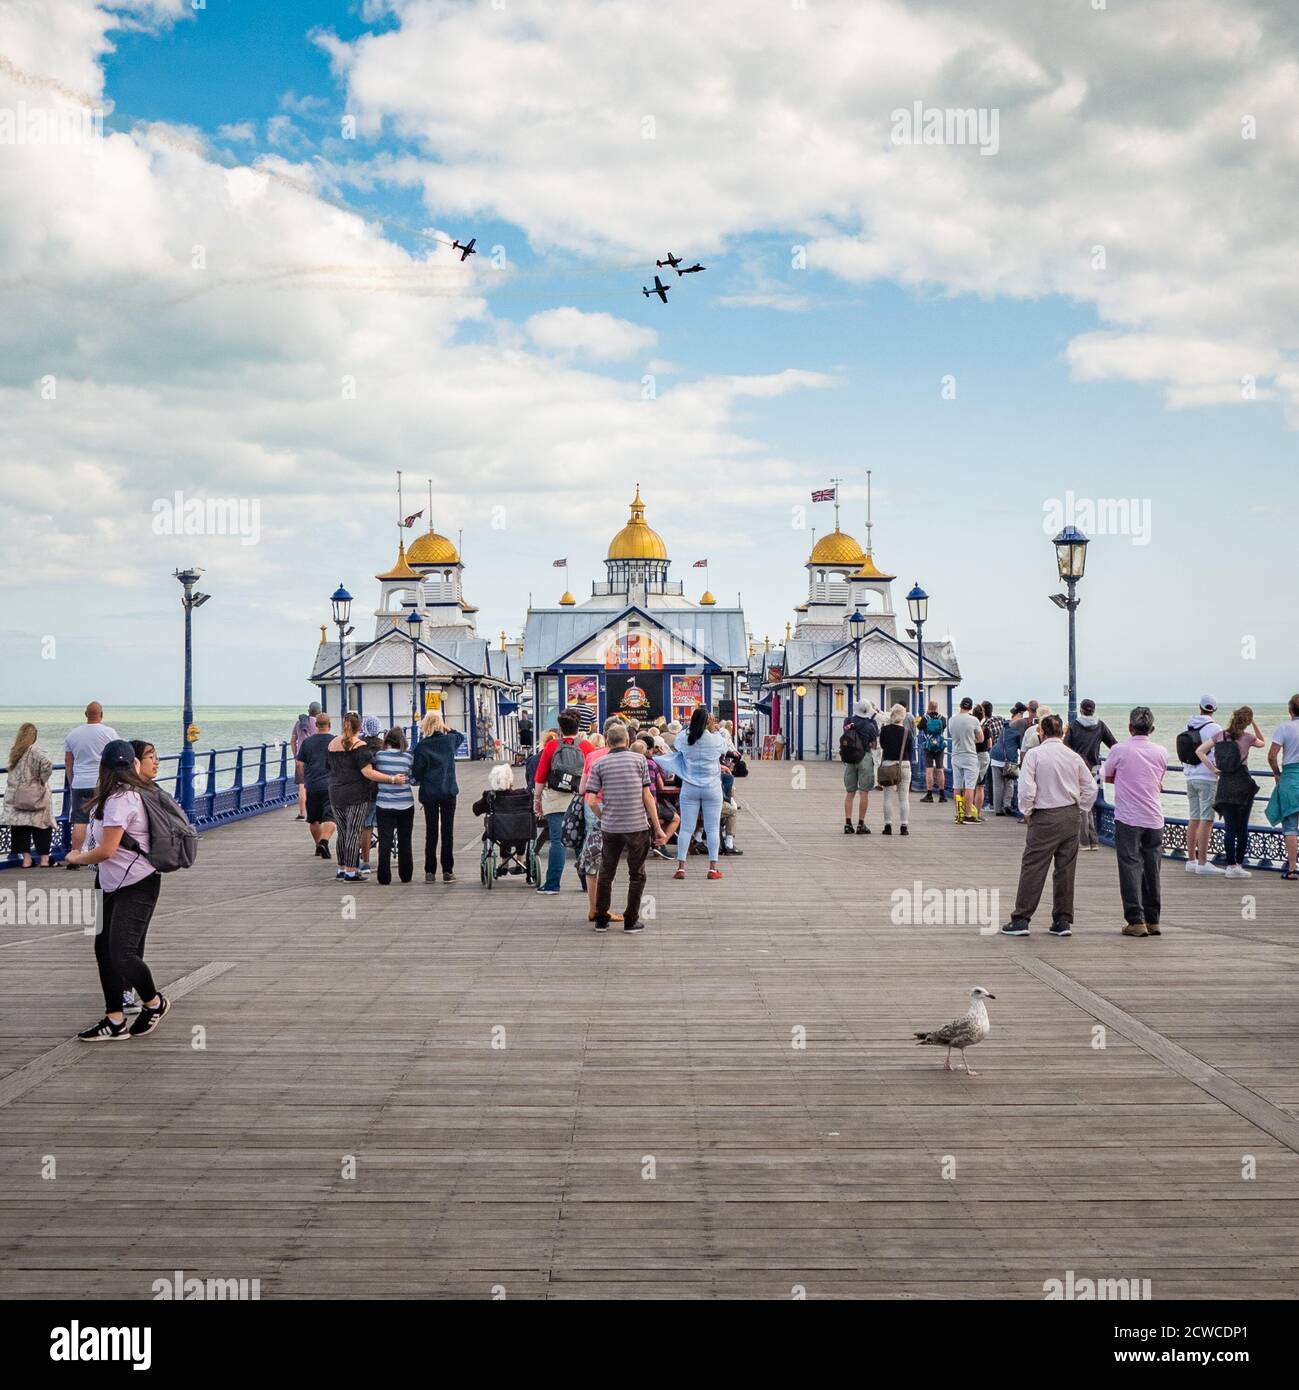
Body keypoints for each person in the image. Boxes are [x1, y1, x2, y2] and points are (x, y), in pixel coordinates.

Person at [64, 740, 170, 1041]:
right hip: (109, 883)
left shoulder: (122, 800)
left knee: (121, 953)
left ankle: (154, 1002)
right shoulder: (111, 798)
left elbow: (106, 850)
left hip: (137, 883)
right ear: (133, 766)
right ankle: (114, 1020)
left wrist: (76, 857)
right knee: (104, 951)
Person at [1000, 715, 1097, 938]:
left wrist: (1027, 810)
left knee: (1034, 865)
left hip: (1044, 814)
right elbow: (1091, 788)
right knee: (1065, 868)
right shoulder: (1073, 756)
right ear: (1062, 733)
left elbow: (1026, 788)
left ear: (1041, 733)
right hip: (1071, 814)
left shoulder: (1035, 755)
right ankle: (1062, 921)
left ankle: (1022, 918)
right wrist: (1079, 807)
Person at [584, 720, 666, 933]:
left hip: (611, 827)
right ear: (628, 741)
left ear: (608, 743)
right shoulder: (639, 760)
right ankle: (631, 920)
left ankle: (602, 919)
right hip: (637, 825)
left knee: (606, 873)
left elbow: (591, 800)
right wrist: (657, 827)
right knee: (637, 874)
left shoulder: (599, 765)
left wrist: (603, 817)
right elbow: (647, 795)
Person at [1104, 707, 1170, 937]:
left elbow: (1108, 775)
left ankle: (1136, 919)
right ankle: (1154, 920)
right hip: (1154, 816)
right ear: (1151, 728)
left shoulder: (1119, 750)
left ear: (1130, 727)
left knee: (1130, 864)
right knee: (1153, 867)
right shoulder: (1161, 752)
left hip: (1129, 817)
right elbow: (1159, 779)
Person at [328, 713, 405, 883]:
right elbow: (368, 772)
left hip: (335, 793)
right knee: (353, 832)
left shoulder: (332, 743)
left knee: (342, 832)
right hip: (356, 795)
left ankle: (341, 868)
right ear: (360, 728)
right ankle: (351, 871)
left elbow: (329, 767)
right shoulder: (360, 746)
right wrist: (392, 779)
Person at [532, 709, 591, 894]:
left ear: (560, 727)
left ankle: (552, 884)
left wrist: (537, 799)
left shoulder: (551, 747)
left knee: (557, 841)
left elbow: (540, 775)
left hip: (555, 798)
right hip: (579, 799)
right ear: (579, 726)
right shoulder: (587, 746)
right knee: (581, 841)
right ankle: (586, 883)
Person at [668, 706, 728, 880]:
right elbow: (724, 747)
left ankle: (681, 867)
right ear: (708, 721)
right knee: (712, 828)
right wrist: (714, 729)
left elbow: (678, 743)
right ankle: (712, 868)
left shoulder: (685, 738)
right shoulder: (715, 739)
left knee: (686, 827)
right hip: (711, 786)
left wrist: (693, 726)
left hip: (690, 786)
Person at [1204, 707, 1264, 880]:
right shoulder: (1248, 737)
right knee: (1242, 826)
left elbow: (1200, 751)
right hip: (1243, 783)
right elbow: (1262, 742)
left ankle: (1230, 866)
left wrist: (1214, 769)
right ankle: (1238, 865)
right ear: (1246, 721)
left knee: (1229, 827)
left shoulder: (1220, 735)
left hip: (1225, 784)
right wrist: (1254, 723)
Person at [411, 712, 467, 883]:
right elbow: (459, 736)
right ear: (441, 725)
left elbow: (417, 772)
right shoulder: (449, 741)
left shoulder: (421, 746)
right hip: (448, 791)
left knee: (431, 831)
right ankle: (448, 871)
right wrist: (446, 727)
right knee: (447, 831)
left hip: (429, 793)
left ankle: (430, 871)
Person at [63, 702, 119, 865]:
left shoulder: (72, 735)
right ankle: (99, 853)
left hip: (80, 782)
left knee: (80, 820)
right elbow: (118, 756)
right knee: (104, 817)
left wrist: (72, 780)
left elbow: (68, 761)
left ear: (85, 714)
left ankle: (75, 854)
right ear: (101, 714)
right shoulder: (109, 733)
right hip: (102, 782)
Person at [1065, 699, 1118, 850]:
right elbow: (1114, 745)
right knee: (1090, 804)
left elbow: (1066, 747)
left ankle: (1085, 841)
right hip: (1095, 769)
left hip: (1077, 769)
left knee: (1081, 804)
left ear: (1081, 709)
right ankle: (1093, 840)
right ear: (1094, 710)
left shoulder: (1074, 725)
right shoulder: (1100, 725)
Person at [1180, 696, 1224, 876]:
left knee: (1194, 818)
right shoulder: (1215, 728)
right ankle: (1203, 862)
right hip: (1208, 778)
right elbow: (1221, 752)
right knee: (1207, 820)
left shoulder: (1188, 725)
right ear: (1214, 709)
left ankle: (1191, 860)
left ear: (1200, 707)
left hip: (1190, 777)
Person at [5, 723, 55, 868]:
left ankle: (26, 859)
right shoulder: (35, 751)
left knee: (20, 827)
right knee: (42, 825)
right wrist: (42, 779)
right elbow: (47, 764)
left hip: (17, 796)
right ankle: (44, 859)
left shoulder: (15, 752)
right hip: (35, 795)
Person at [374, 727, 415, 884]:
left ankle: (384, 876)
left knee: (385, 840)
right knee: (405, 840)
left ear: (387, 740)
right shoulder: (408, 757)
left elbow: (375, 775)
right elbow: (412, 779)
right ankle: (406, 874)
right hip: (405, 803)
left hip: (384, 803)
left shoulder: (379, 756)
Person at [472, 763, 530, 876]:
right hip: (521, 831)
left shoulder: (490, 796)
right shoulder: (522, 795)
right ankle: (520, 862)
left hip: (498, 833)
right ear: (510, 780)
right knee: (519, 825)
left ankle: (504, 864)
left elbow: (476, 810)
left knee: (502, 827)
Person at [1266, 694, 1299, 880]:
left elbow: (1271, 755)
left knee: (1291, 827)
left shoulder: (1284, 728)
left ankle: (1292, 868)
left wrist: (1277, 773)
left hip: (1290, 780)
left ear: (1290, 710)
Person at [295, 713, 335, 860]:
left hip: (312, 785)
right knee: (331, 817)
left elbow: (299, 763)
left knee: (314, 819)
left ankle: (318, 846)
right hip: (331, 785)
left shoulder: (307, 742)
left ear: (316, 725)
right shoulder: (334, 741)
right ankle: (324, 841)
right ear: (329, 725)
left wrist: (305, 778)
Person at [840, 700, 879, 835]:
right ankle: (861, 824)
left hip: (850, 758)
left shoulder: (848, 722)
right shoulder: (870, 725)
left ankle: (848, 823)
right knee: (864, 792)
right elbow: (874, 744)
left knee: (850, 793)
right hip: (864, 758)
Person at [877, 704, 914, 836]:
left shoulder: (885, 730)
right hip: (904, 764)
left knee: (887, 797)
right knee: (904, 798)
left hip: (888, 765)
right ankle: (904, 826)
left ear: (892, 715)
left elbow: (882, 745)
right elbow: (910, 750)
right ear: (903, 716)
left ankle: (888, 826)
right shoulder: (906, 732)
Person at [947, 697, 983, 825]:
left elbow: (951, 735)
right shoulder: (974, 720)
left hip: (956, 755)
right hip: (970, 755)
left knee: (957, 785)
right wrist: (971, 740)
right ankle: (968, 815)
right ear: (971, 708)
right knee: (969, 786)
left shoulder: (952, 720)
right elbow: (981, 738)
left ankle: (959, 814)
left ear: (960, 706)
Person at [358, 715, 385, 874]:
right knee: (384, 826)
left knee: (366, 827)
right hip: (382, 790)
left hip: (364, 791)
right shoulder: (383, 746)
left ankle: (365, 861)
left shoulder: (360, 746)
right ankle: (384, 860)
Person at [990, 702, 1027, 816]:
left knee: (997, 785)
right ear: (1021, 714)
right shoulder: (1018, 728)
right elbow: (1022, 746)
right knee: (1009, 783)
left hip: (995, 755)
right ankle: (1007, 805)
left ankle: (997, 810)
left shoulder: (1005, 725)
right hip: (1009, 758)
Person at [918, 701, 947, 803]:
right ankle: (942, 795)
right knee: (940, 769)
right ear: (937, 707)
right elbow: (943, 727)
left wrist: (926, 714)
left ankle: (929, 794)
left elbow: (919, 727)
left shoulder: (925, 719)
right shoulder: (942, 718)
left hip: (928, 746)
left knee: (929, 770)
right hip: (939, 746)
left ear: (929, 707)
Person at [290, 710, 316, 819]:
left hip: (301, 758)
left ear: (309, 711)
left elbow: (292, 741)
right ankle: (314, 812)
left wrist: (295, 755)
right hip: (314, 757)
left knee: (302, 785)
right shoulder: (317, 722)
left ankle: (301, 813)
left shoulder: (298, 723)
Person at [971, 702, 992, 819]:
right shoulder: (985, 728)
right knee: (980, 786)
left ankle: (969, 811)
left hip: (972, 756)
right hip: (983, 756)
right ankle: (978, 813)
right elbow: (989, 744)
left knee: (970, 786)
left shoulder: (971, 728)